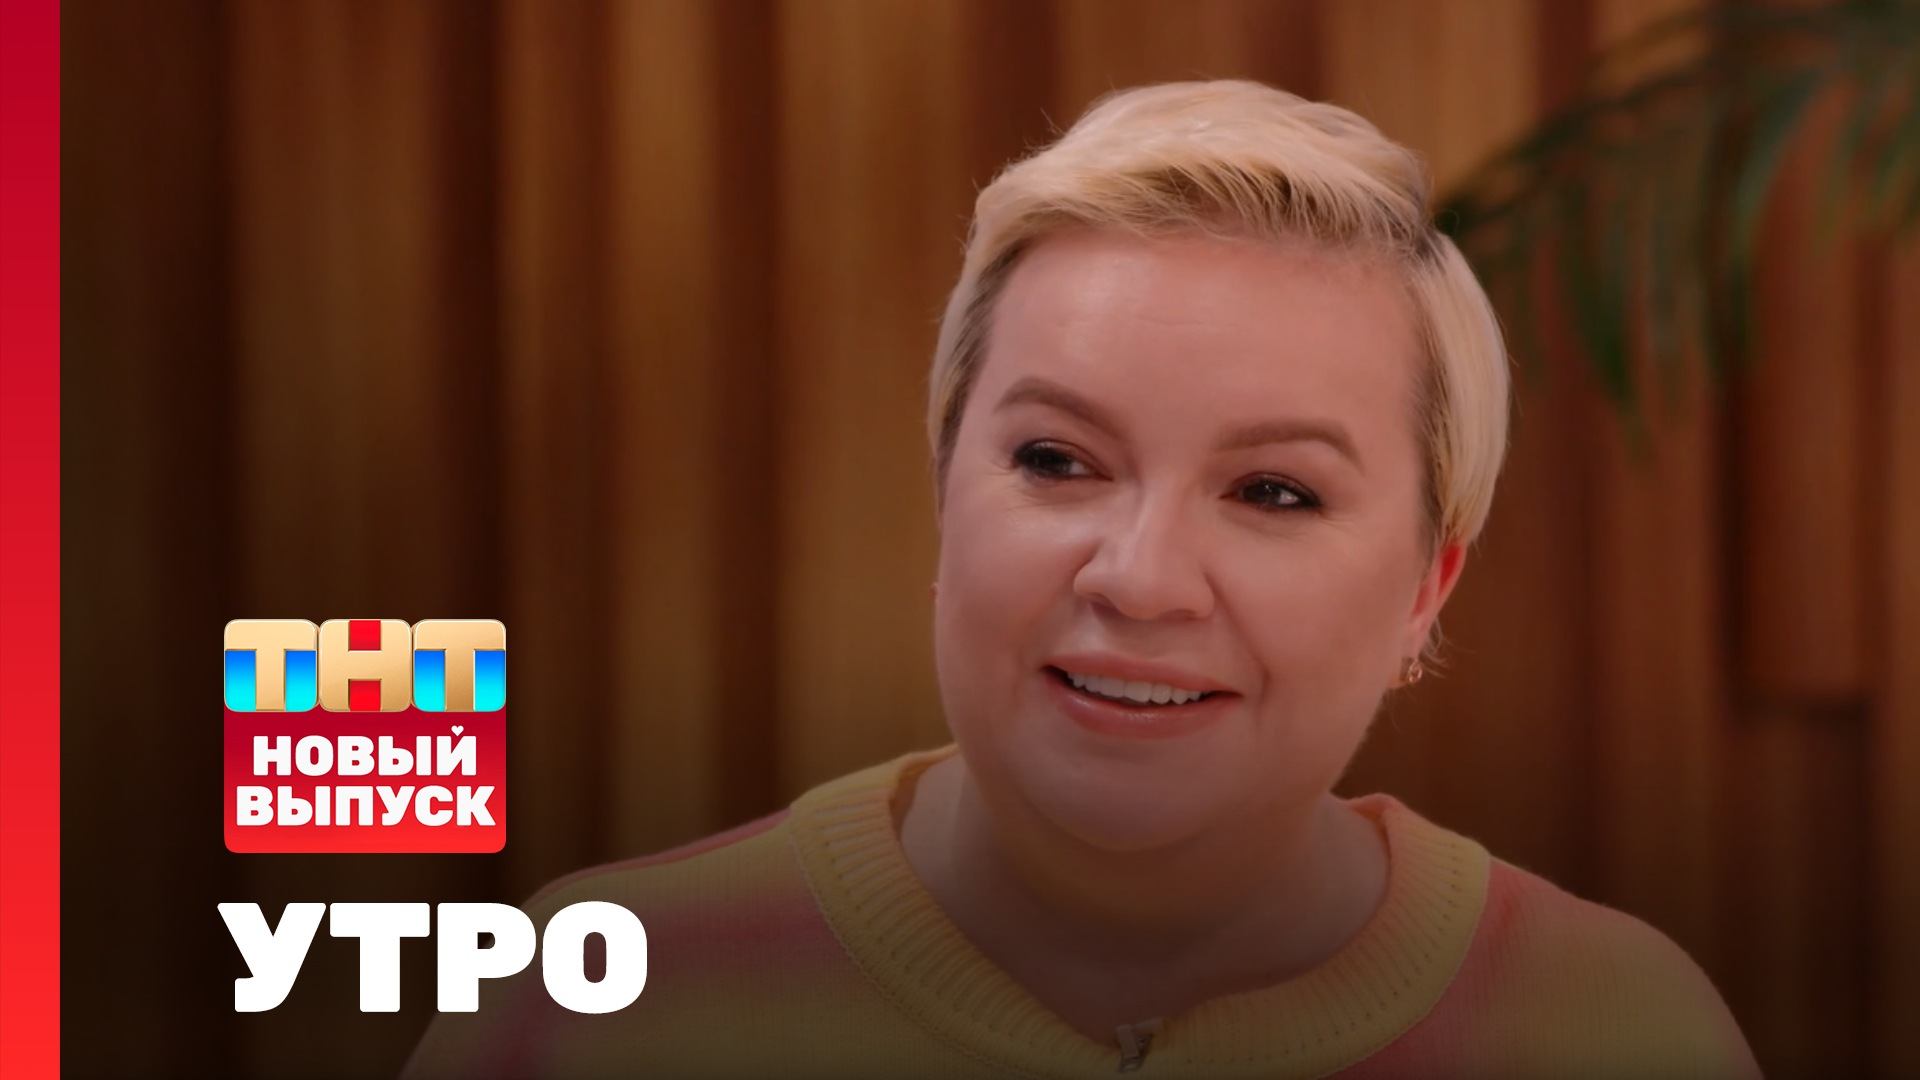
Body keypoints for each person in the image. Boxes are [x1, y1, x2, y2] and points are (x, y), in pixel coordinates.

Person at [405, 79, 1758, 1079]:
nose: (1143, 580)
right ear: (947, 495)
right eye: (1057, 461)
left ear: (1426, 589)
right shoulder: (594, 1003)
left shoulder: (1614, 1030)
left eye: (1273, 492)